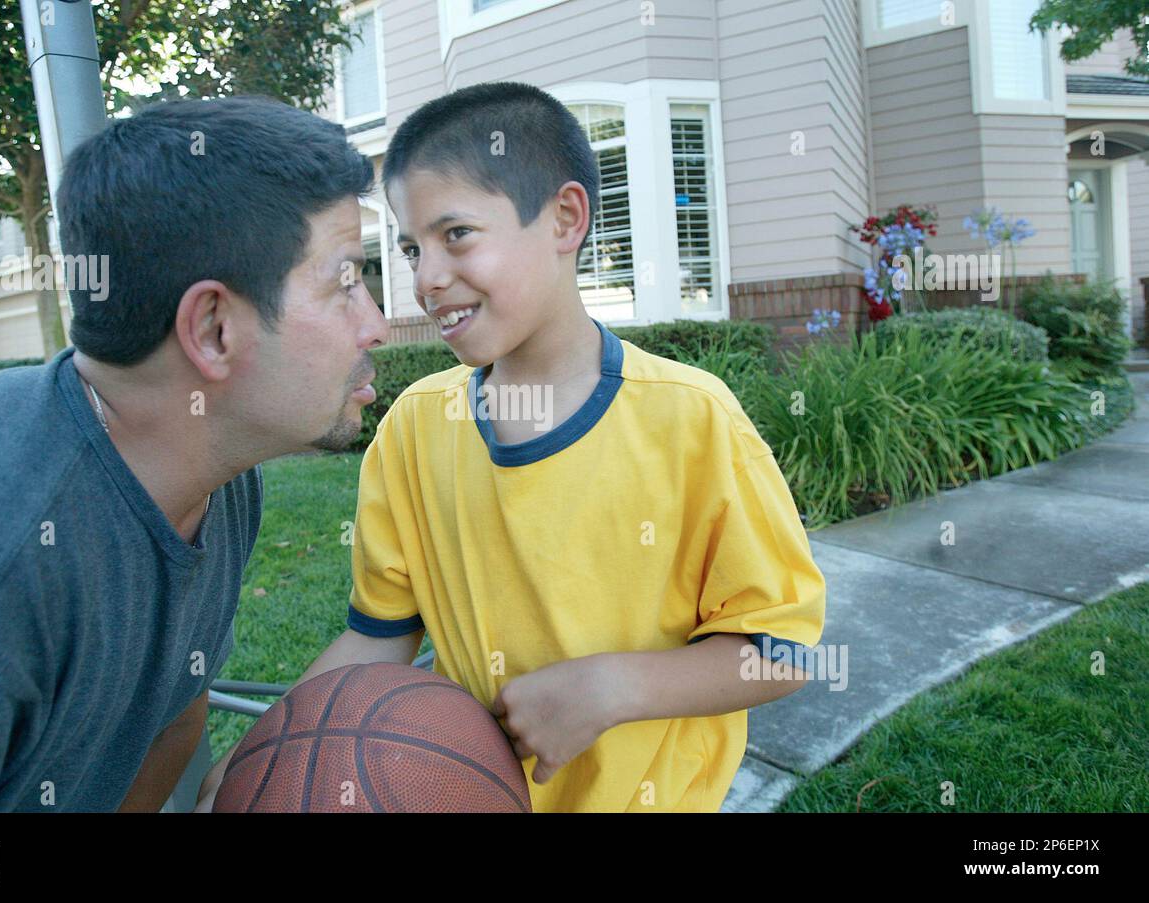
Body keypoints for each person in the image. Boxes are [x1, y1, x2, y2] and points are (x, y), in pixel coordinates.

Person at [201, 82, 828, 813]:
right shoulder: (414, 429)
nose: (427, 277)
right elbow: (378, 638)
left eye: (456, 234)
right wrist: (262, 753)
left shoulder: (691, 420)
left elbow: (779, 653)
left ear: (564, 218)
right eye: (410, 247)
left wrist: (613, 687)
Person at [0, 96, 388, 811]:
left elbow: (172, 716)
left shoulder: (219, 478)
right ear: (215, 329)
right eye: (347, 282)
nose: (378, 325)